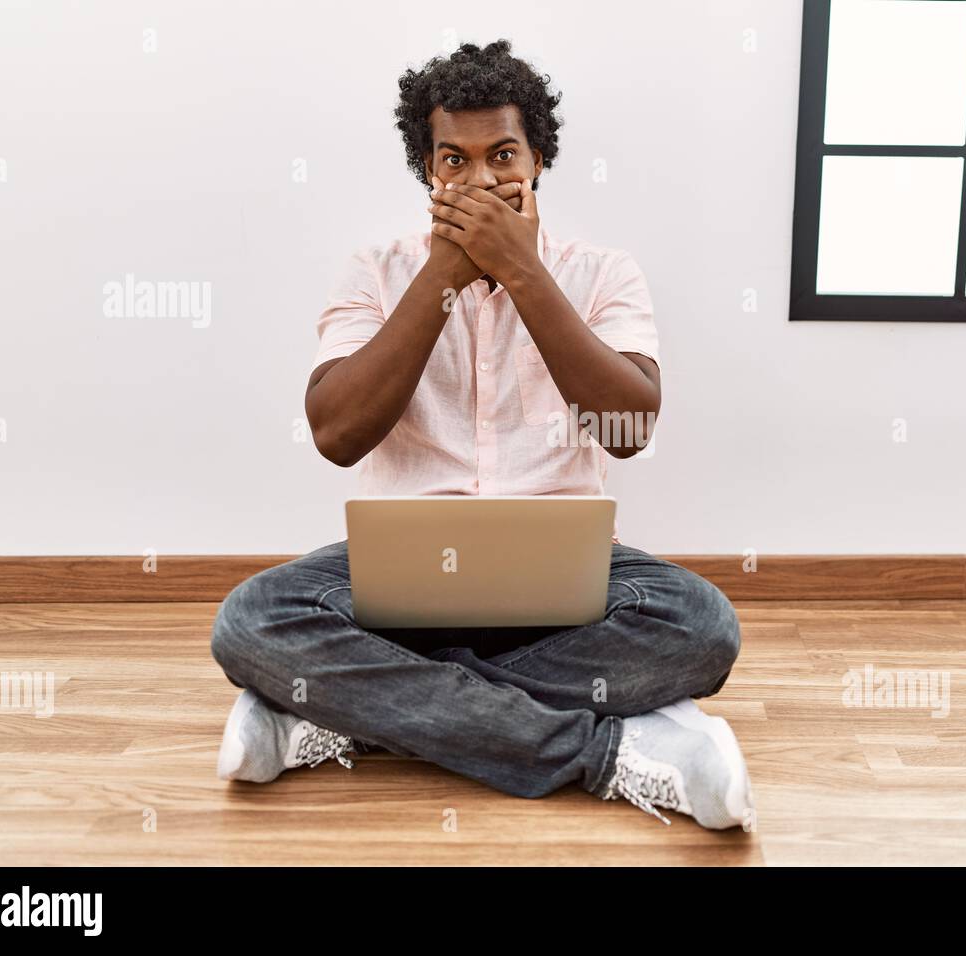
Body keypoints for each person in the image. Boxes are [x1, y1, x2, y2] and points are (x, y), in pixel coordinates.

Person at [210, 39, 754, 829]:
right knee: (251, 622)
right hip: (399, 586)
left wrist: (524, 274)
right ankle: (614, 752)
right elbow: (336, 434)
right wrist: (443, 277)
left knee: (701, 629)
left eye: (502, 153)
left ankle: (348, 710)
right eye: (452, 161)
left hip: (562, 586)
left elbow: (628, 427)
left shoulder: (603, 274)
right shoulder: (376, 270)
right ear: (427, 172)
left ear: (538, 160)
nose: (479, 178)